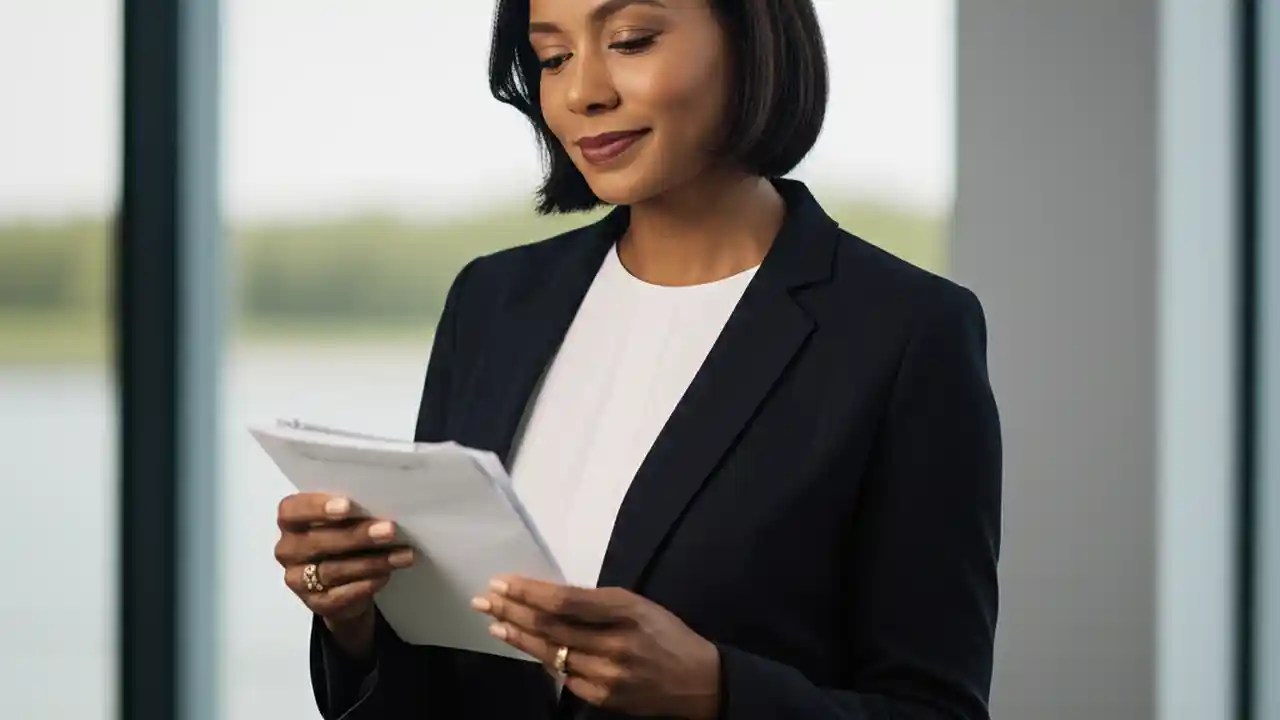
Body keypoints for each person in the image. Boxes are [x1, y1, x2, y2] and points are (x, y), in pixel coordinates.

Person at [272, 0, 1002, 717]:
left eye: (630, 40)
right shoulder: (492, 301)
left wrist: (717, 692)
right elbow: (435, 685)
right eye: (554, 57)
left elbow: (935, 708)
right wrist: (354, 616)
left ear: (751, 38)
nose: (582, 92)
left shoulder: (906, 331)